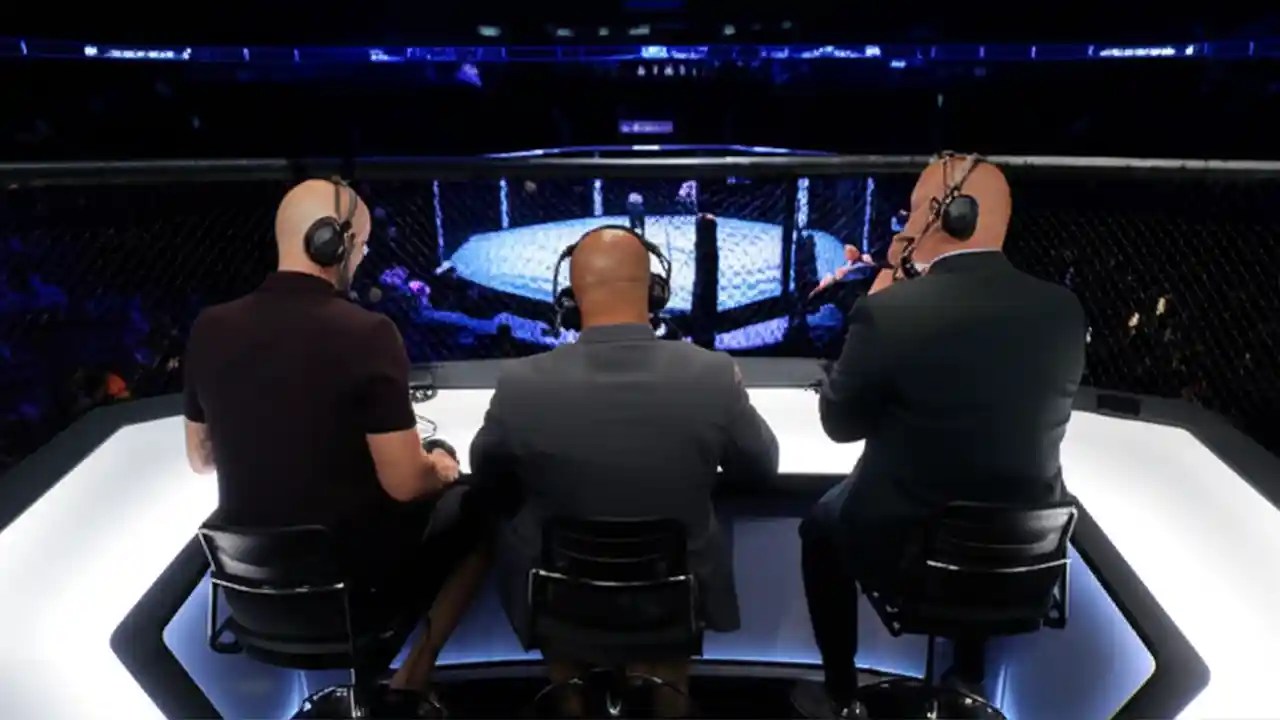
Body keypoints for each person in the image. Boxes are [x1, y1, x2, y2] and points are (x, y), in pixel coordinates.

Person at [792, 156, 1087, 718]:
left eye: (911, 212)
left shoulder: (890, 312)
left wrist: (886, 283)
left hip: (909, 555)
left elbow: (839, 425)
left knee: (820, 528)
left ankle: (840, 694)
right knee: (977, 500)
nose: (904, 224)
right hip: (1029, 551)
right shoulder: (1063, 309)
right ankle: (967, 679)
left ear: (947, 214)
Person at [182, 178, 490, 707]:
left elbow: (200, 458)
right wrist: (438, 466)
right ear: (333, 242)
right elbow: (404, 485)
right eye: (362, 245)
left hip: (251, 598)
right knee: (482, 503)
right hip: (353, 598)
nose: (363, 258)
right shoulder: (367, 333)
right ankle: (411, 679)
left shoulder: (209, 327)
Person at [471, 225, 780, 717]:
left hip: (560, 600)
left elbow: (485, 475)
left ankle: (570, 699)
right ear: (655, 294)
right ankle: (666, 694)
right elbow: (761, 468)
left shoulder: (518, 382)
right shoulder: (714, 373)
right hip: (672, 601)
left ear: (570, 300)